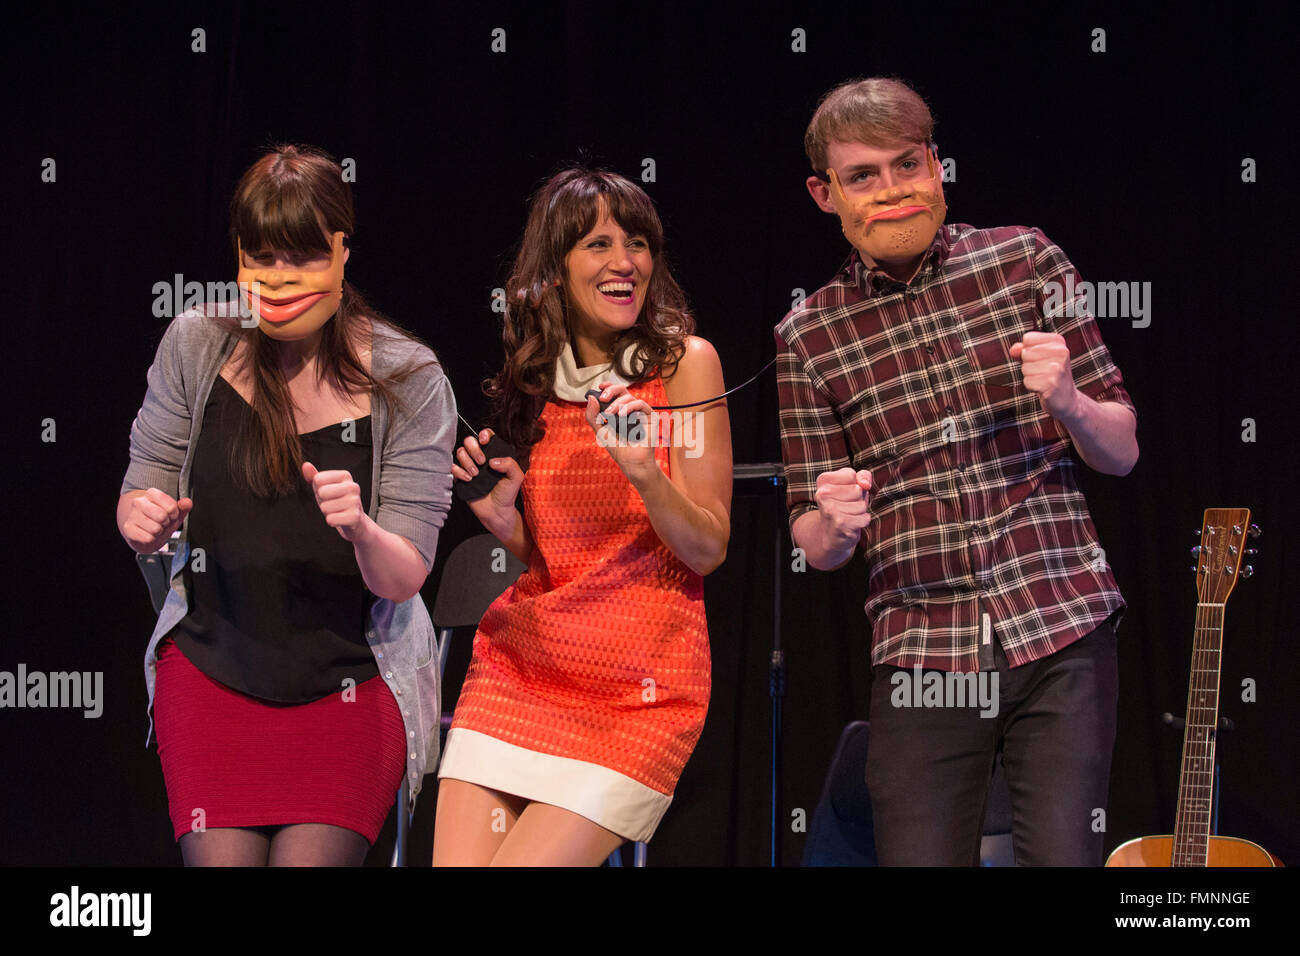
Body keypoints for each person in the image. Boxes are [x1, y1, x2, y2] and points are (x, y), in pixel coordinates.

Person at [775, 78, 1138, 866]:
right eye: (863, 176)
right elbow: (814, 539)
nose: (893, 190)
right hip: (923, 651)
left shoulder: (1024, 259)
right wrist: (831, 522)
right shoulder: (807, 335)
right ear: (824, 193)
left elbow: (1122, 449)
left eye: (907, 166)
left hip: (1059, 623)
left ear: (937, 167)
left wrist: (1072, 401)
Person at [116, 144, 456, 866]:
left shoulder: (407, 376)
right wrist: (140, 518)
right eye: (261, 257)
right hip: (212, 674)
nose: (277, 279)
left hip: (351, 688)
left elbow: (403, 577)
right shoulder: (197, 343)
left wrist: (363, 530)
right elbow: (138, 489)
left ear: (341, 252)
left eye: (300, 258)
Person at [433, 167, 731, 866]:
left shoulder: (685, 366)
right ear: (556, 268)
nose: (625, 262)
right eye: (598, 245)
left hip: (637, 687)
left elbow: (708, 547)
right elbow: (563, 560)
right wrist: (508, 525)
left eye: (637, 243)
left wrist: (644, 473)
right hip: (521, 671)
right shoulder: (539, 378)